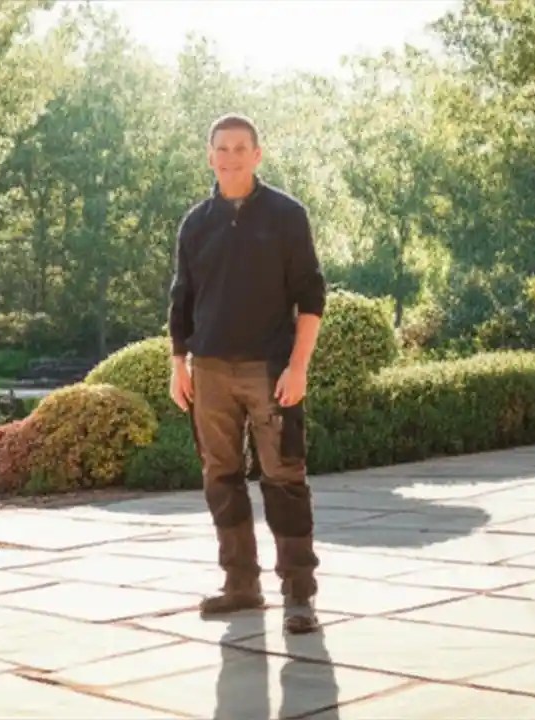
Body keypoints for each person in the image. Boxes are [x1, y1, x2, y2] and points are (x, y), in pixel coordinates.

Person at [167, 112, 326, 635]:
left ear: (257, 154)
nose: (231, 156)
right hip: (209, 369)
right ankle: (241, 585)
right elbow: (181, 300)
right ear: (210, 155)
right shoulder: (195, 223)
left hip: (270, 368)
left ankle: (298, 594)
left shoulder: (286, 215)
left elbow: (311, 296)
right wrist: (178, 363)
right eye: (222, 148)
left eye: (240, 147)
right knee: (221, 477)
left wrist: (299, 366)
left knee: (283, 477)